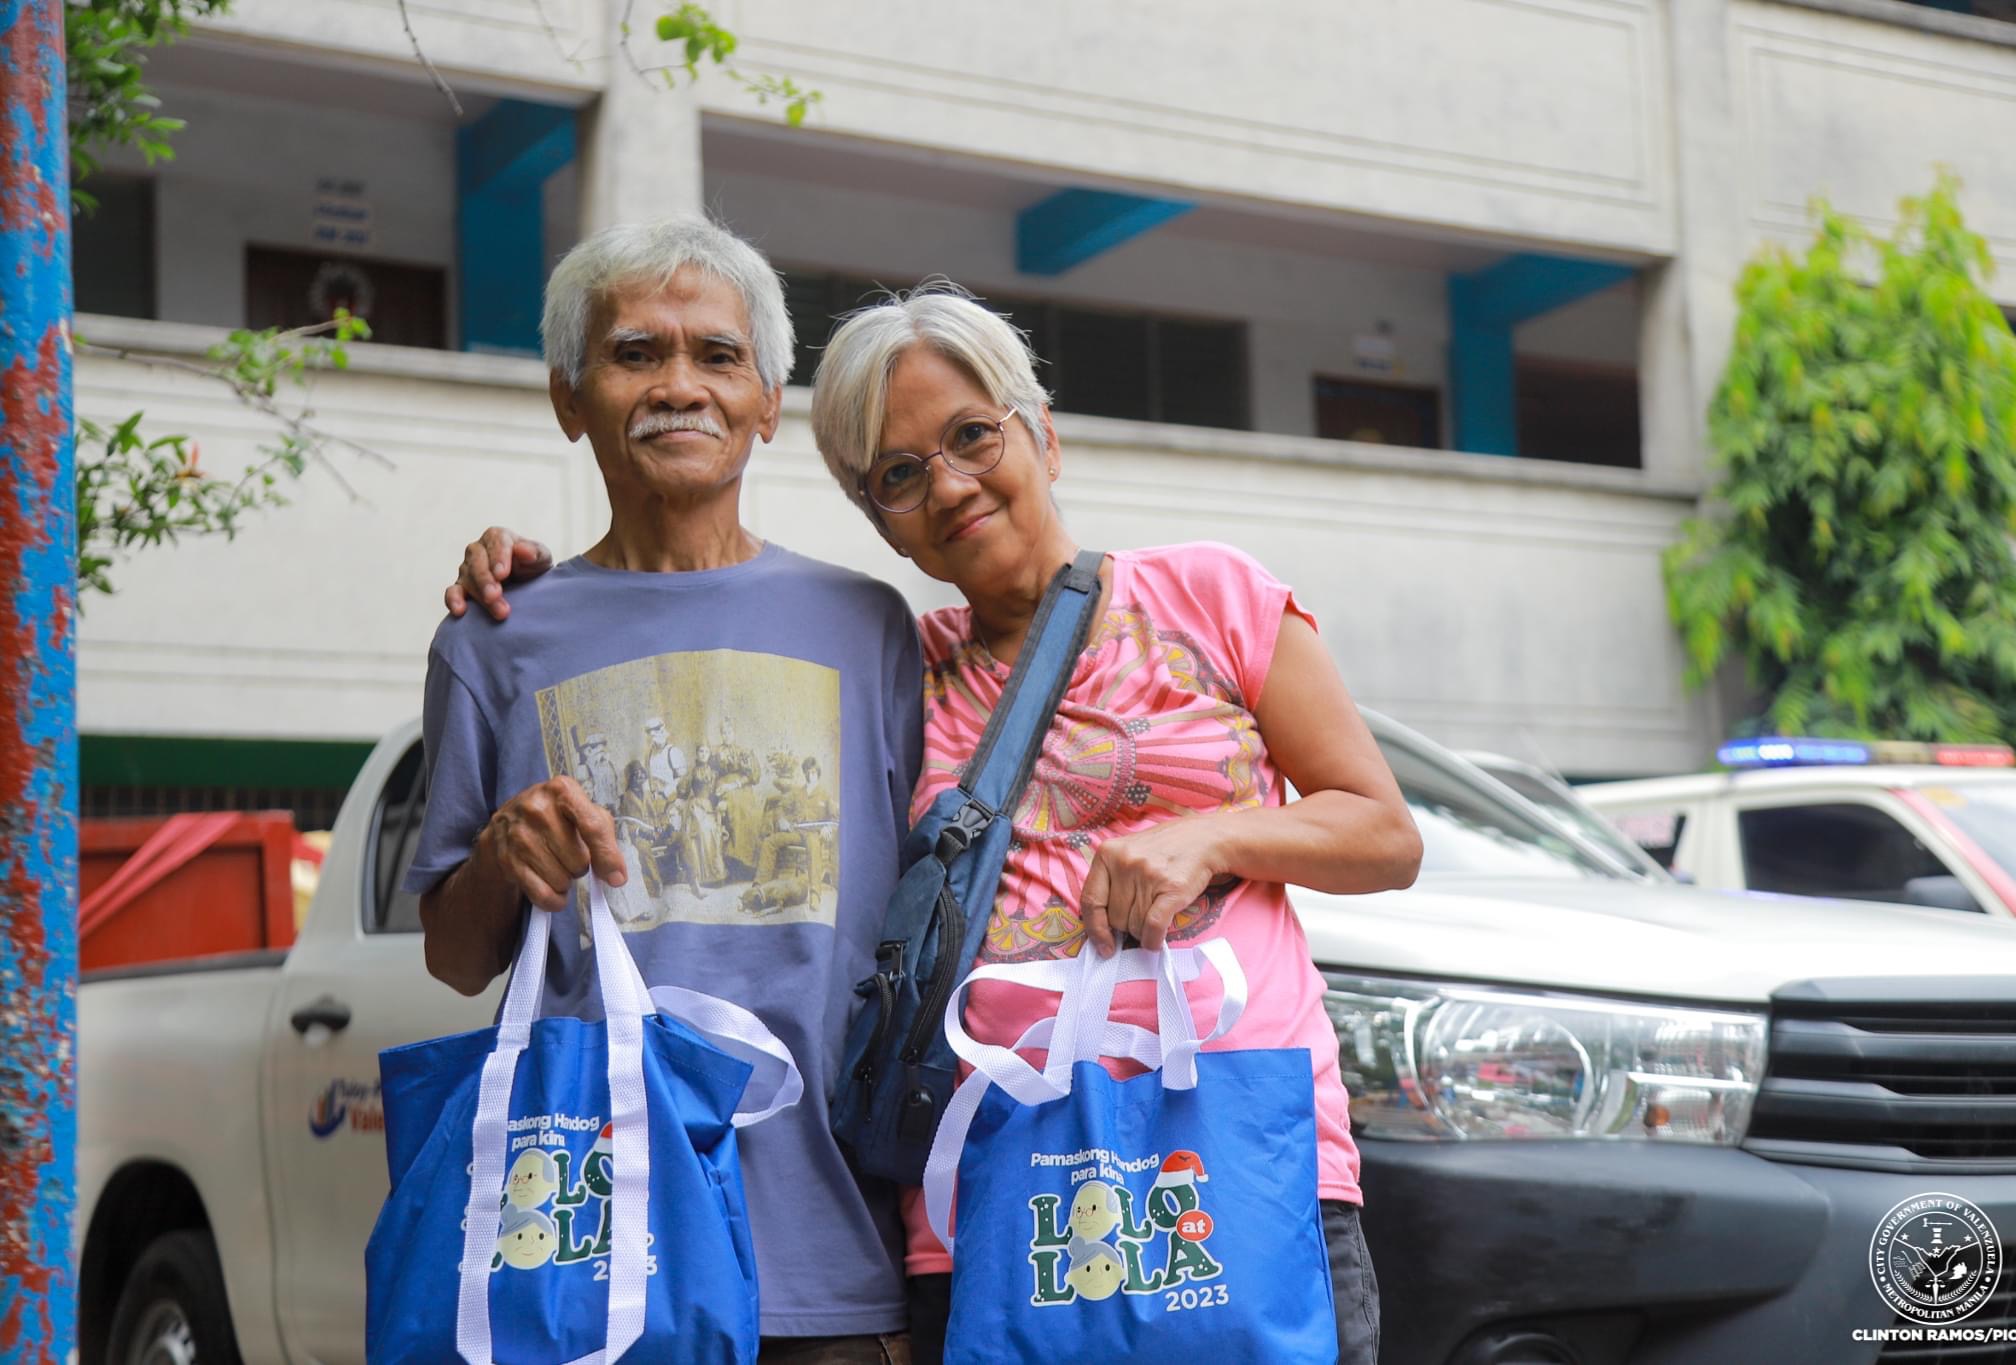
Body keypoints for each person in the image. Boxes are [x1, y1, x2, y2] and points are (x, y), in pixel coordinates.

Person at [449, 285, 1421, 1364]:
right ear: (883, 528)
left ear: (1040, 435)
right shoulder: (892, 663)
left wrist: (1213, 836)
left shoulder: (1211, 595)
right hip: (994, 1192)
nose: (949, 486)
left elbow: (1382, 833)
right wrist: (539, 586)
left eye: (971, 437)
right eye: (899, 477)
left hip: (1237, 1158)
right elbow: (711, 641)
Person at [409, 216, 922, 1361]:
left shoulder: (869, 627)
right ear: (568, 397)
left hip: (831, 1254)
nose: (677, 386)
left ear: (767, 403)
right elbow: (451, 957)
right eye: (635, 354)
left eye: (717, 356)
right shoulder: (496, 638)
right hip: (594, 1245)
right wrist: (503, 853)